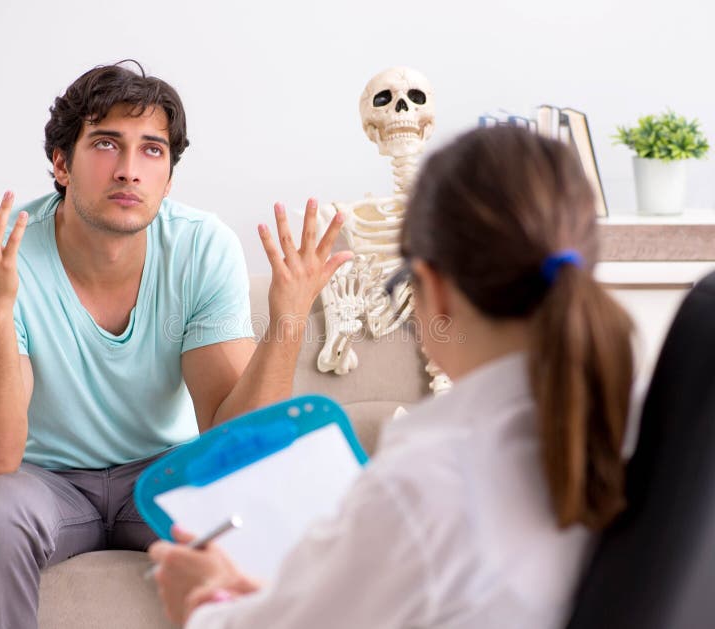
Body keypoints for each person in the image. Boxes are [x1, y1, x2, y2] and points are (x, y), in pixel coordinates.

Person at [147, 125, 636, 629]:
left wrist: (204, 605)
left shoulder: (425, 483)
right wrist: (274, 605)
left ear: (432, 289)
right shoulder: (642, 425)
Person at [0, 60, 351, 629]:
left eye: (152, 150)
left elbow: (232, 438)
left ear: (169, 178)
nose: (129, 170)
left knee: (258, 513)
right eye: (106, 144)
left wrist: (289, 320)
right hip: (37, 478)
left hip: (162, 472)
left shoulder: (201, 248)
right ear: (62, 164)